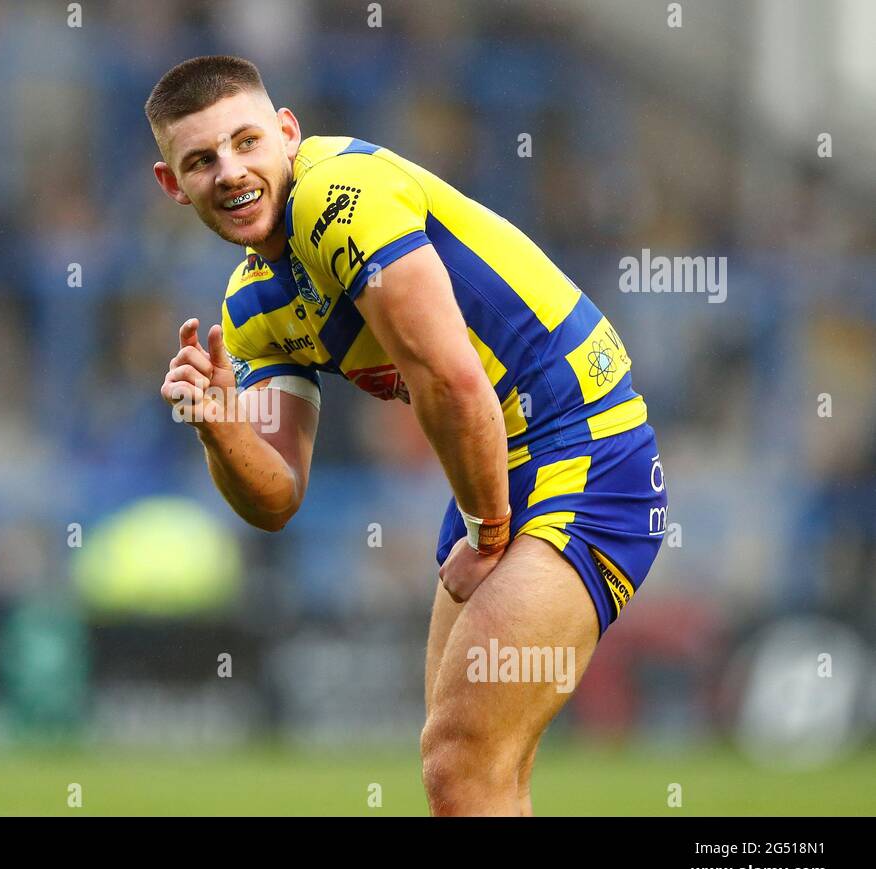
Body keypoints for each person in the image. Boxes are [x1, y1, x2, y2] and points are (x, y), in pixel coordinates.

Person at [146, 55, 667, 816]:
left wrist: (489, 533)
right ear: (172, 184)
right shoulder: (252, 306)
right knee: (476, 780)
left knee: (459, 768)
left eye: (247, 141)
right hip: (491, 474)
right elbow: (276, 497)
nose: (230, 171)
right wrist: (221, 427)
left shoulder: (339, 198)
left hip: (582, 448)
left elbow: (450, 380)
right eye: (201, 160)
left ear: (287, 132)